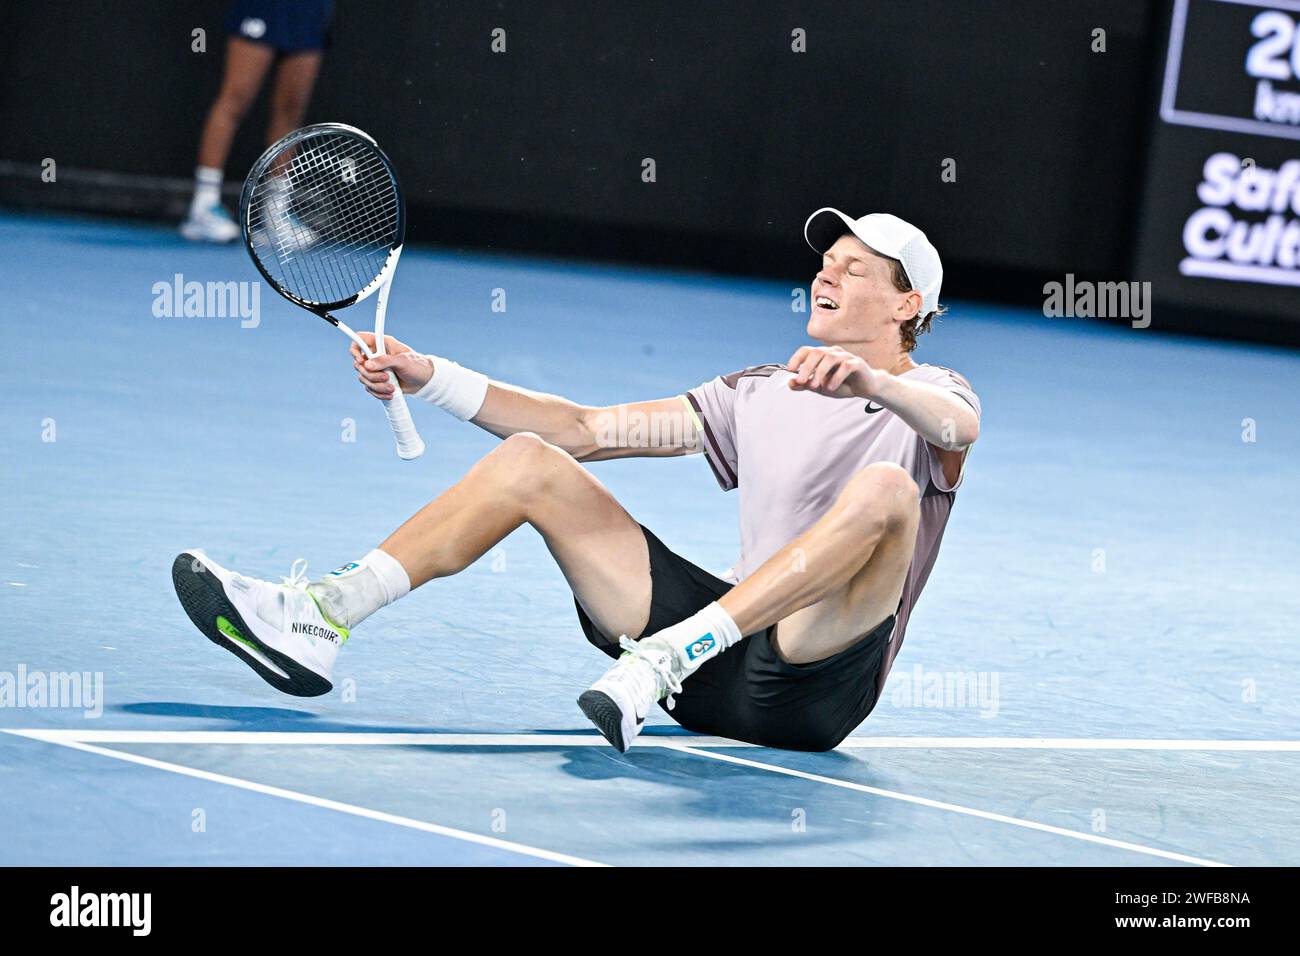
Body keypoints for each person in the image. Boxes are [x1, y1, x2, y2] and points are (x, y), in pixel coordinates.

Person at [172, 209, 981, 753]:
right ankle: (320, 616)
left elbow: (956, 430)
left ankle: (663, 656)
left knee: (887, 492)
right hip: (707, 672)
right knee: (533, 463)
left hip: (814, 683)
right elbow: (586, 432)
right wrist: (429, 377)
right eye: (825, 263)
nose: (825, 277)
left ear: (909, 302)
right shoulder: (761, 391)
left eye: (853, 269)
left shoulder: (934, 395)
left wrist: (872, 385)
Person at [180, 0, 335, 243]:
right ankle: (204, 206)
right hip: (262, 6)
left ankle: (275, 214)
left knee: (291, 112)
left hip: (309, 8)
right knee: (235, 101)